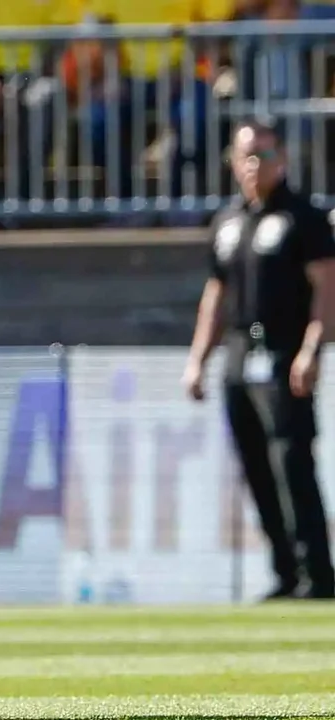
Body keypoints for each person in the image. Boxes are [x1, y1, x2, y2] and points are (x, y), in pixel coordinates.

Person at [183, 120, 335, 601]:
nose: (255, 165)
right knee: (255, 465)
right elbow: (216, 294)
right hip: (240, 351)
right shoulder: (228, 222)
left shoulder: (302, 218)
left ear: (282, 160)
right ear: (233, 162)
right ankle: (284, 572)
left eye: (265, 155)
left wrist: (312, 348)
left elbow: (326, 287)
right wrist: (198, 359)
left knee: (291, 460)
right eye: (247, 156)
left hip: (283, 350)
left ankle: (317, 573)